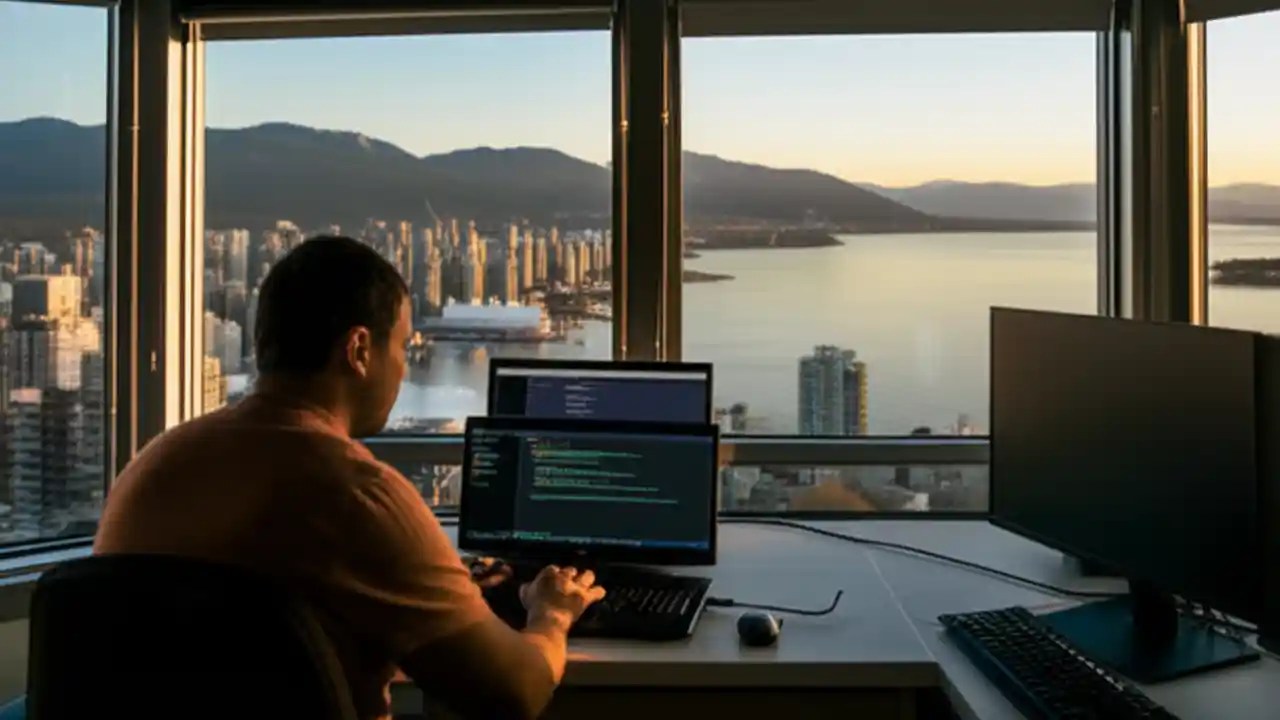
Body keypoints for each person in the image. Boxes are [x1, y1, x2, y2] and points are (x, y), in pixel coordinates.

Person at [94, 236, 604, 720]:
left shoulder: (158, 460)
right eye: (403, 347)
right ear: (359, 350)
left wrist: (433, 587)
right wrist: (551, 613)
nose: (405, 369)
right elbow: (518, 692)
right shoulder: (357, 495)